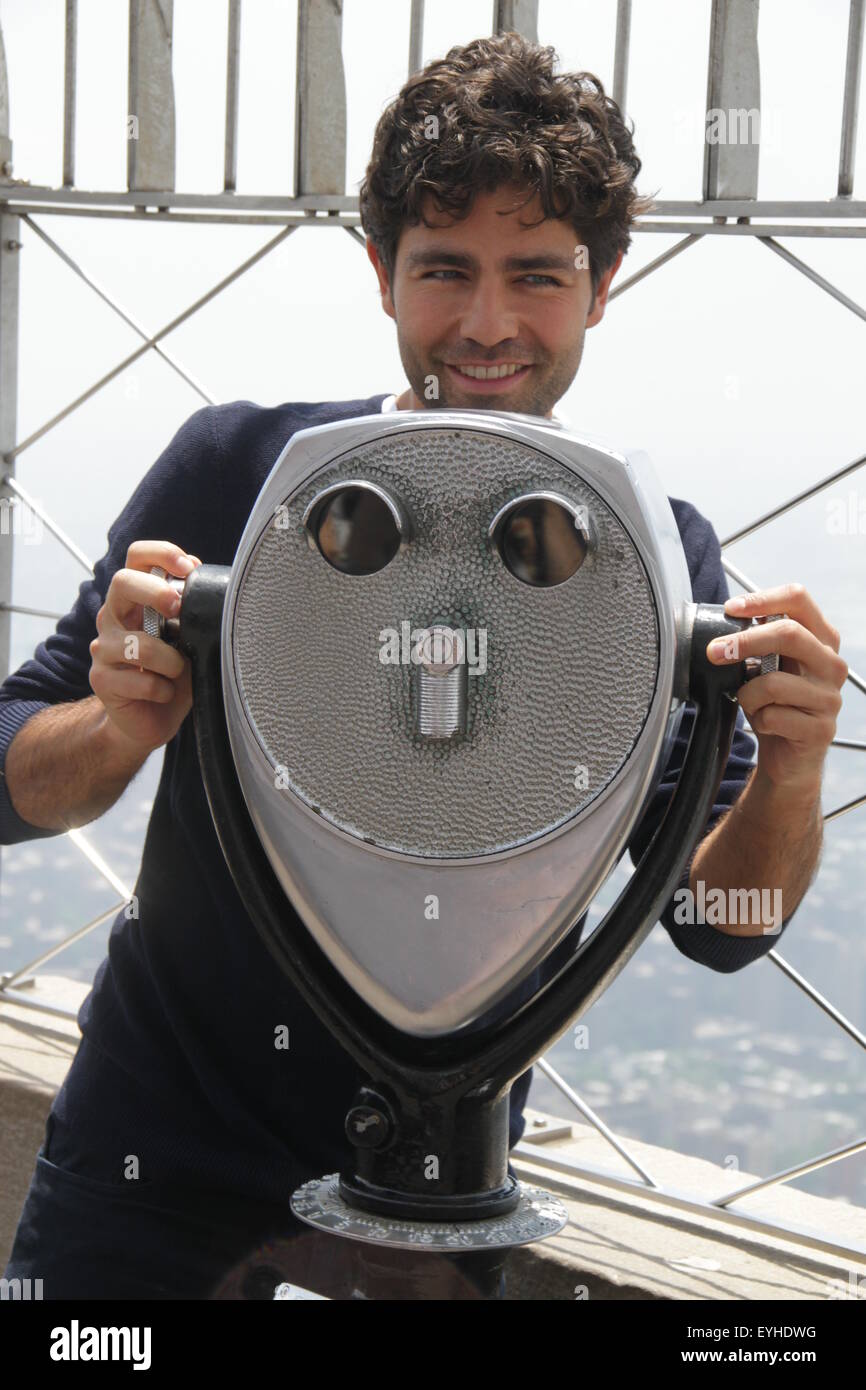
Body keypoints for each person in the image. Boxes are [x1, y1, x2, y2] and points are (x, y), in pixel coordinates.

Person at [1, 32, 847, 1301]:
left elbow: (715, 927)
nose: (488, 323)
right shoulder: (238, 472)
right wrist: (118, 724)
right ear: (380, 274)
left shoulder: (656, 553)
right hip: (148, 1165)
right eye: (443, 269)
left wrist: (786, 767)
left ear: (602, 283)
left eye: (537, 275)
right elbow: (15, 788)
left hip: (434, 1194)